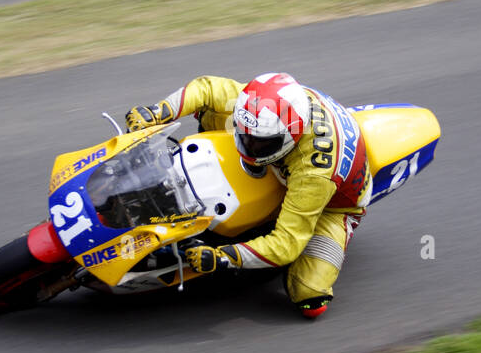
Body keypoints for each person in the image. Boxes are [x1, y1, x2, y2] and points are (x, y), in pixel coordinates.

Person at [126, 73, 368, 318]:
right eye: (245, 136)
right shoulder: (264, 104)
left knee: (309, 297)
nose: (247, 147)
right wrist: (158, 112)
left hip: (334, 205)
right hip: (287, 154)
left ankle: (330, 234)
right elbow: (207, 89)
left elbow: (287, 244)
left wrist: (223, 257)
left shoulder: (313, 173)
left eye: (260, 145)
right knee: (212, 112)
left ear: (289, 137)